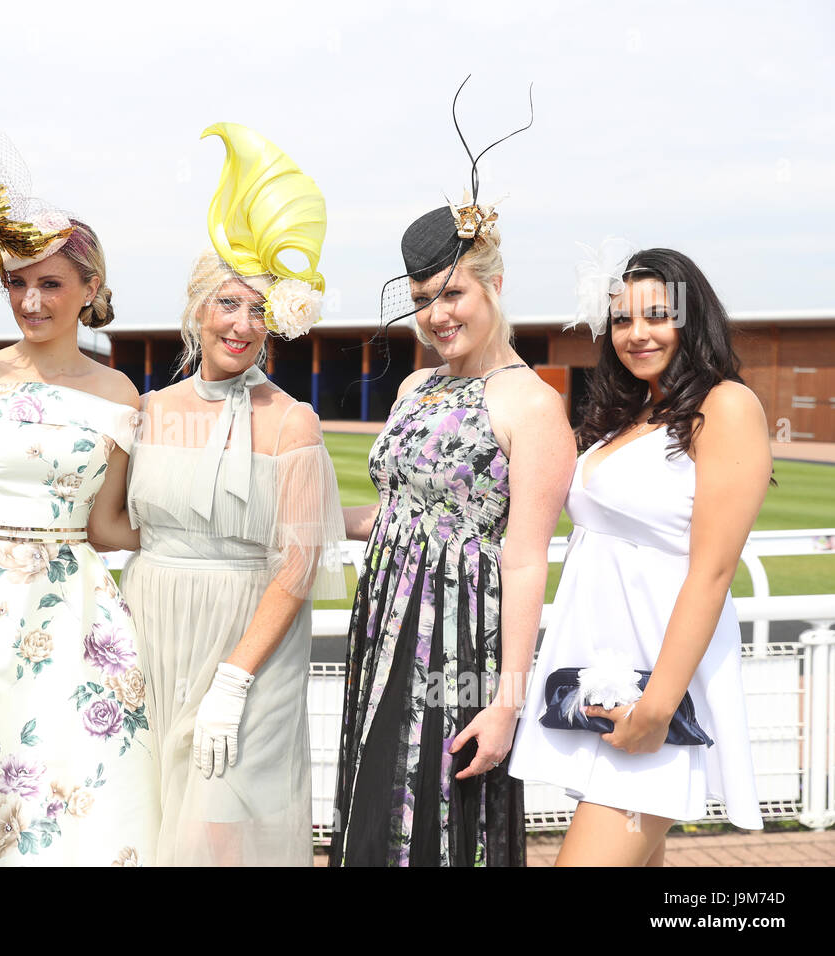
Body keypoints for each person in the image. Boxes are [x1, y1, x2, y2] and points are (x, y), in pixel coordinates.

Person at [331, 84, 576, 865]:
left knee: (438, 828)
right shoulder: (412, 389)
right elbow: (402, 514)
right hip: (383, 629)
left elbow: (525, 556)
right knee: (374, 818)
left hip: (457, 641)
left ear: (493, 288)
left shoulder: (530, 404)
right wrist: (310, 511)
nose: (437, 314)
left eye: (453, 294)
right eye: (421, 301)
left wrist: (505, 703)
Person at [0, 135, 157, 865]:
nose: (30, 299)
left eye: (50, 284)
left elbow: (110, 525)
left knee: (74, 776)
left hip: (81, 609)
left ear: (89, 288)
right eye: (17, 282)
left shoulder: (120, 393)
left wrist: (204, 546)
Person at [119, 123, 345, 866]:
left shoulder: (293, 423)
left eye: (258, 308)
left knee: (221, 829)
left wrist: (234, 680)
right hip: (154, 632)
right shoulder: (148, 411)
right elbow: (110, 528)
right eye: (227, 304)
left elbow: (298, 564)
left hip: (251, 647)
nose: (242, 325)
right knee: (151, 819)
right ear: (196, 311)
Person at [508, 246, 769, 865]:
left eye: (657, 315)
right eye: (622, 320)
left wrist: (658, 705)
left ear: (692, 317)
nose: (637, 333)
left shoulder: (726, 405)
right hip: (604, 680)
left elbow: (712, 572)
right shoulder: (628, 415)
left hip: (663, 686)